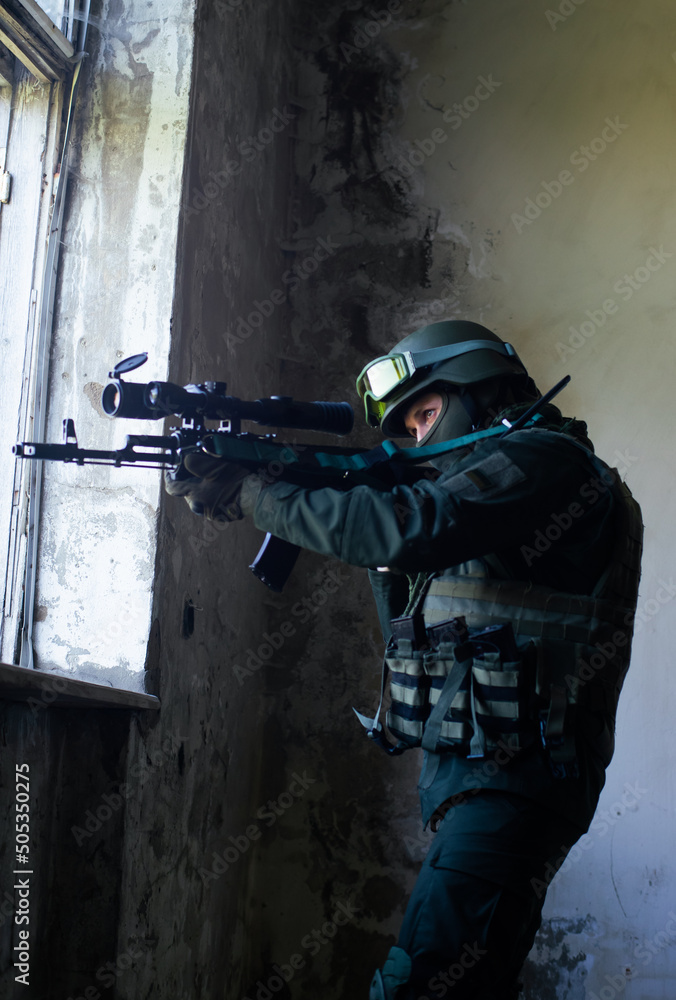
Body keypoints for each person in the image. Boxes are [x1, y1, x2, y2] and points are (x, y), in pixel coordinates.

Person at [166, 320, 643, 1000]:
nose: (418, 436)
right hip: (488, 782)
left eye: (425, 412)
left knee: (420, 987)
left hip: (515, 782)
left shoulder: (545, 461)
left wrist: (252, 493)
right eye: (408, 426)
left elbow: (404, 529)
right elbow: (404, 545)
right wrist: (282, 478)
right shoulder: (507, 482)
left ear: (479, 393)